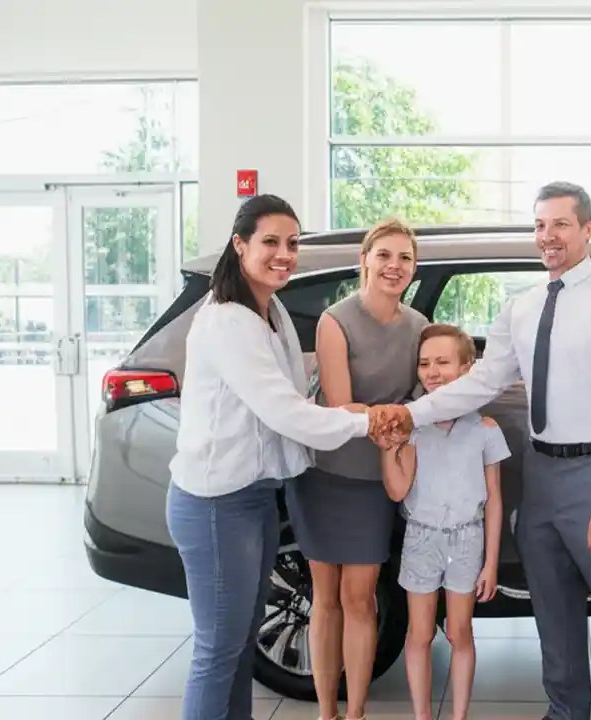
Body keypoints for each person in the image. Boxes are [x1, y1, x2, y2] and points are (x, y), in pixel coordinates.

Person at [381, 181, 591, 720]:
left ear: (587, 230)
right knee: (552, 612)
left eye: (560, 224)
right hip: (542, 473)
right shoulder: (523, 307)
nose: (547, 236)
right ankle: (566, 711)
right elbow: (482, 381)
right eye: (539, 225)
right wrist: (409, 414)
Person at [166, 194, 399, 720]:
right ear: (239, 244)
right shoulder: (228, 321)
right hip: (214, 505)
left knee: (241, 646)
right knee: (217, 651)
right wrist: (369, 421)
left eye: (292, 243)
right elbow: (287, 413)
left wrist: (355, 407)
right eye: (270, 242)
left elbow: (298, 400)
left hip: (254, 497)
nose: (284, 254)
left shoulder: (269, 312)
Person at [284, 218, 428, 720]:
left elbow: (420, 395)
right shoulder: (335, 321)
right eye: (384, 255)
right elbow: (341, 405)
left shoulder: (418, 327)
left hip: (373, 478)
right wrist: (394, 417)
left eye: (404, 258)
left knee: (362, 597)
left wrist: (400, 417)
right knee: (325, 597)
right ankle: (327, 711)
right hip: (324, 473)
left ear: (414, 268)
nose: (394, 266)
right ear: (364, 259)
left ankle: (358, 710)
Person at [381, 323, 509, 720]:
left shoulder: (485, 431)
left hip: (466, 541)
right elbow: (398, 491)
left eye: (442, 362)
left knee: (459, 633)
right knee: (418, 634)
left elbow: (494, 502)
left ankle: (459, 716)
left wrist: (490, 563)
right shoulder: (413, 426)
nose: (432, 371)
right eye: (424, 363)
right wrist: (389, 448)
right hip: (422, 539)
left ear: (468, 368)